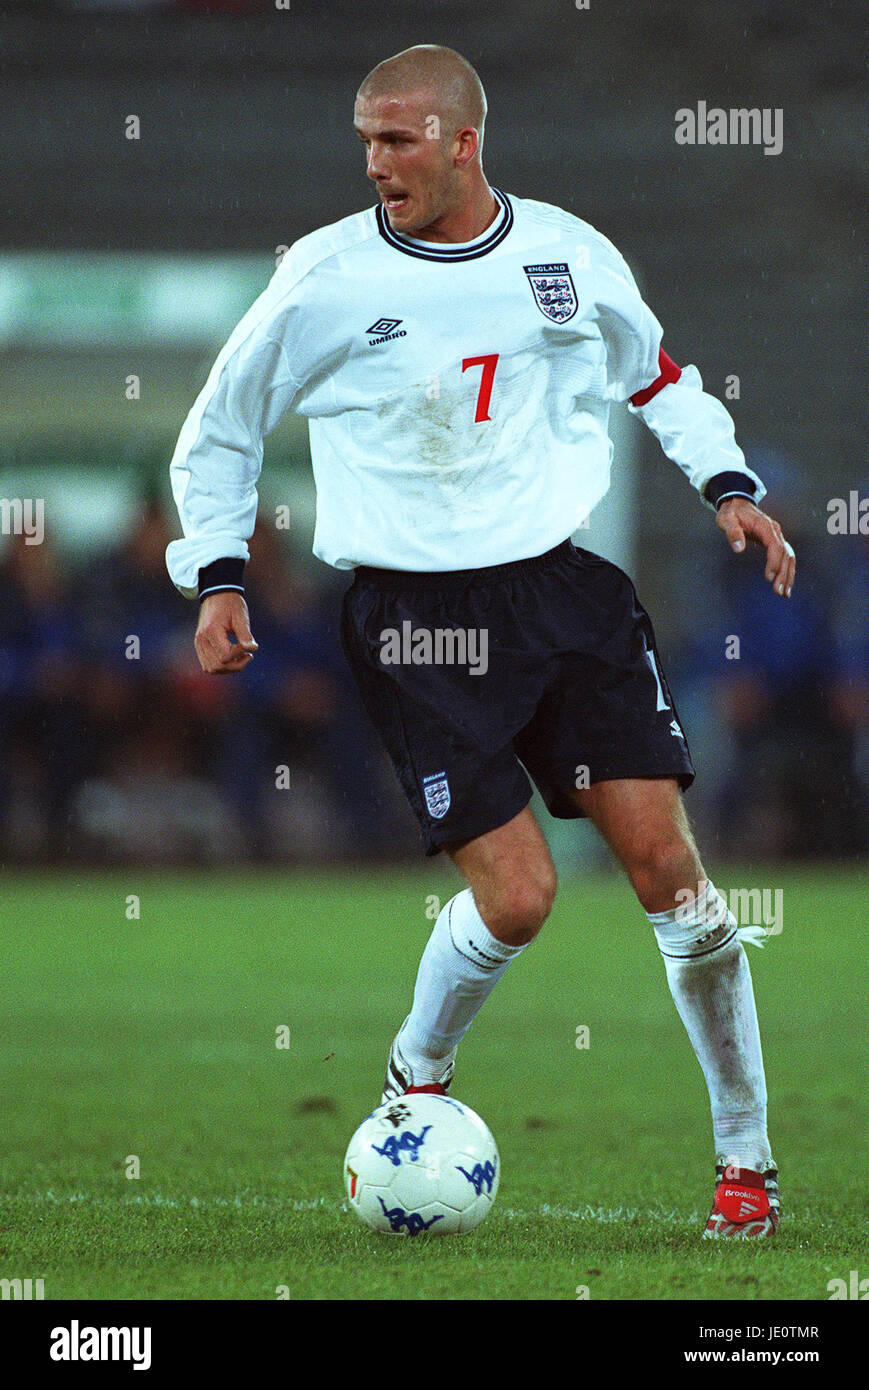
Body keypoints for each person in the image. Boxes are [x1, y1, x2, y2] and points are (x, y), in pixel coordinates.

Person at [166, 45, 795, 1240]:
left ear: (464, 142)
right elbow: (220, 426)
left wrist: (724, 481)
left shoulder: (568, 251)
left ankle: (744, 1163)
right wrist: (217, 575)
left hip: (565, 598)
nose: (374, 163)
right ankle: (417, 1070)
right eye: (364, 139)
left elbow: (654, 375)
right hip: (415, 619)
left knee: (680, 887)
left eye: (397, 140)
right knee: (518, 898)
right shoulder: (324, 277)